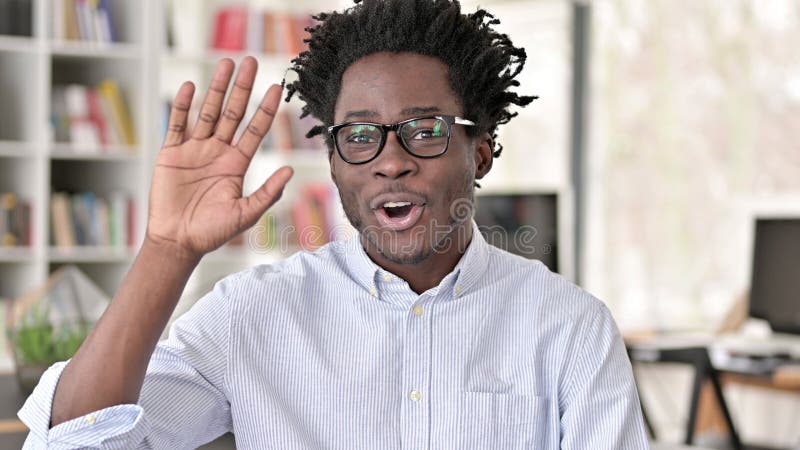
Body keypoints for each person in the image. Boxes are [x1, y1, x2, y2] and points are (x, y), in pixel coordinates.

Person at [19, 0, 648, 448]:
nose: (391, 161)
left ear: (479, 151)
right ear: (335, 160)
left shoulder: (570, 328)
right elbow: (72, 443)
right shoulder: (252, 314)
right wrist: (166, 249)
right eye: (360, 136)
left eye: (425, 131)